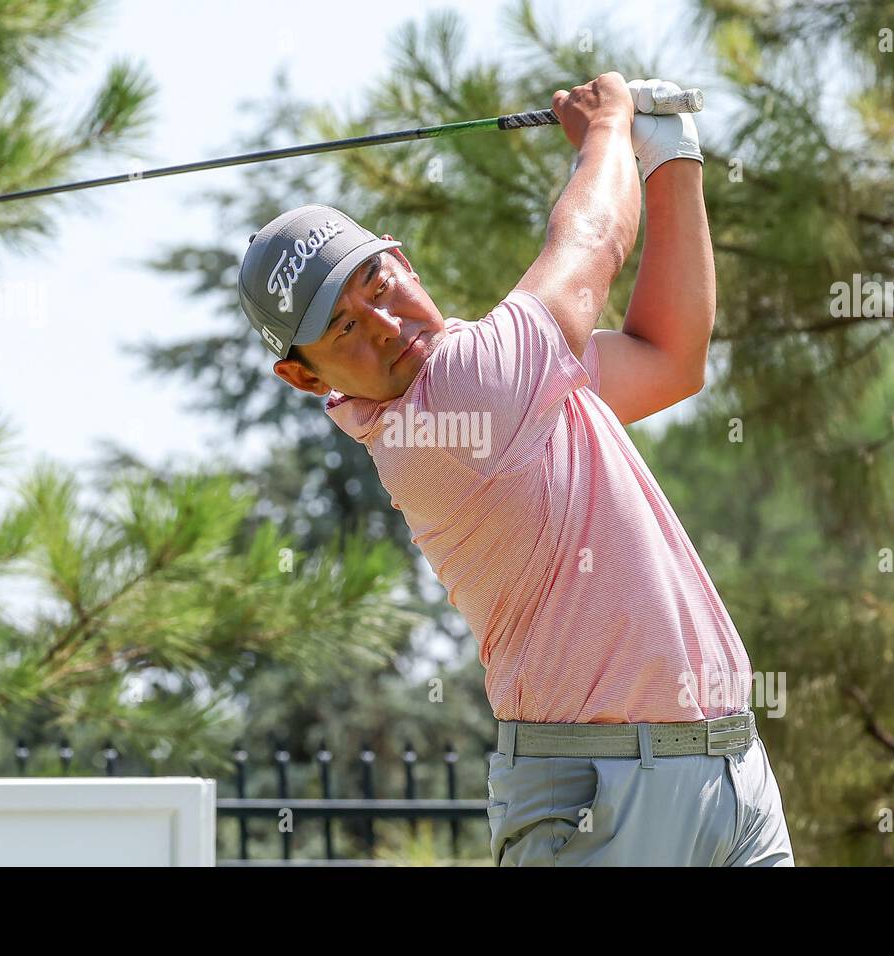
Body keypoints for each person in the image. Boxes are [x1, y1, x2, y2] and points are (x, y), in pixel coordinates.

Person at [237, 73, 794, 866]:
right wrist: (609, 128)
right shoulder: (461, 399)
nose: (388, 326)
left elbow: (671, 357)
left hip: (731, 770)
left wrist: (671, 156)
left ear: (404, 261)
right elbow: (592, 244)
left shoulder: (501, 378)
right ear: (305, 376)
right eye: (345, 329)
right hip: (600, 795)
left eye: (380, 285)